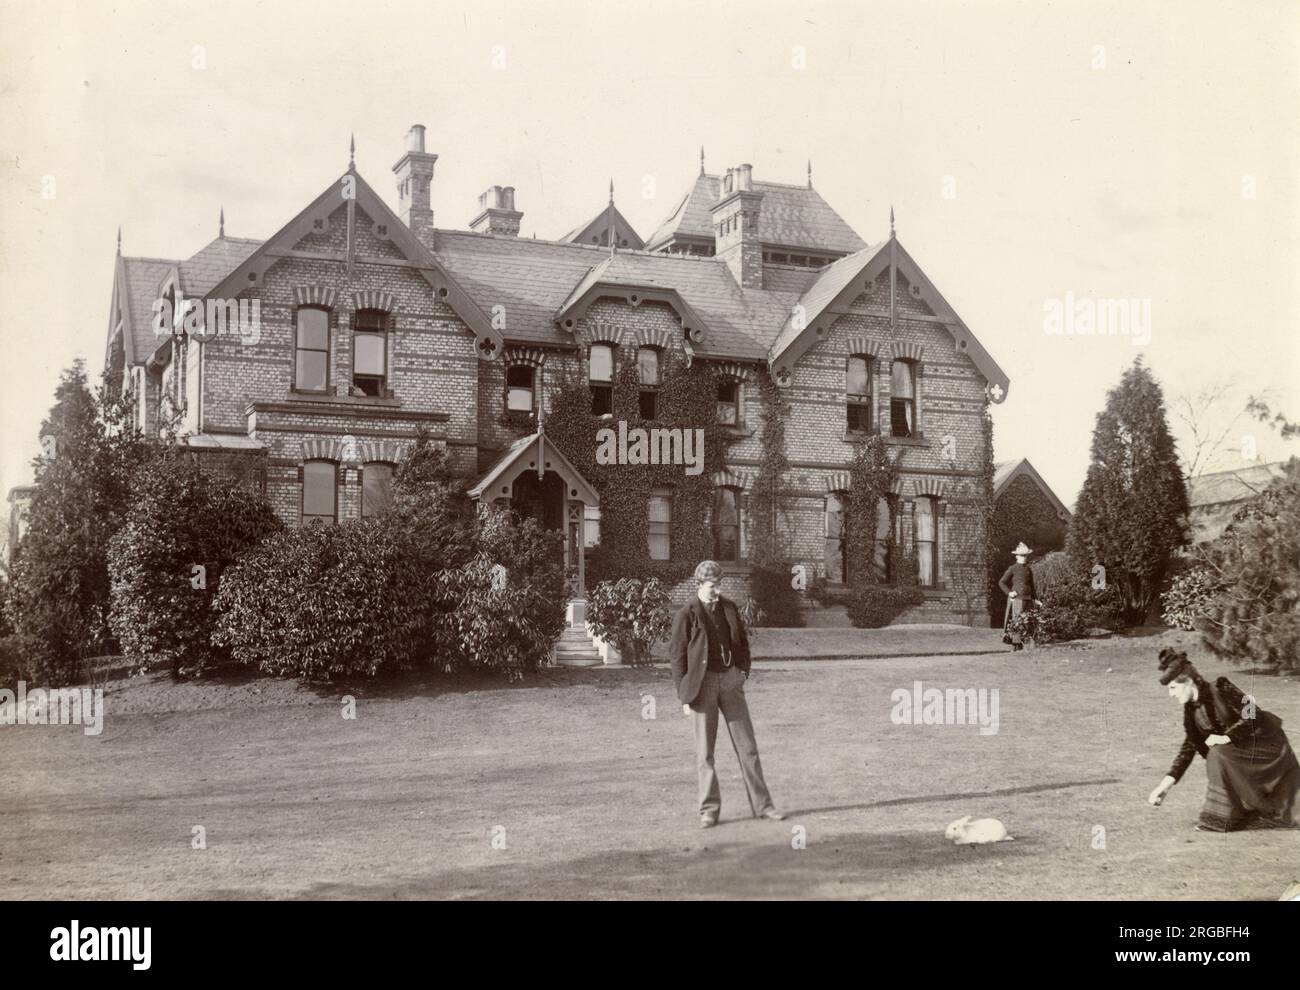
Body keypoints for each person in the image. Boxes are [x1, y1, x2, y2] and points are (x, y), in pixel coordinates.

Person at [668, 559, 783, 829]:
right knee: (705, 753)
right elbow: (676, 657)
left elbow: (742, 643)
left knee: (748, 748)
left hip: (731, 682)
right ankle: (708, 810)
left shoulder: (729, 608)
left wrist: (742, 671)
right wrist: (684, 695)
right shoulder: (686, 613)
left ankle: (763, 806)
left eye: (718, 584)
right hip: (701, 687)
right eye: (710, 585)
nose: (715, 590)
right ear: (698, 585)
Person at [1148, 648, 1300, 832]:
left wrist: (1226, 736)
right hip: (1240, 752)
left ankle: (1225, 817)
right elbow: (1189, 747)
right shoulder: (1191, 710)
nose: (1171, 694)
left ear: (1188, 681)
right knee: (1218, 752)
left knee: (1218, 752)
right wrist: (1164, 787)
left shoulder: (1221, 687)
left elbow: (1253, 713)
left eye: (1173, 688)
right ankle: (1230, 816)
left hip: (1267, 746)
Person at [997, 541, 1037, 651]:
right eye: (1022, 555)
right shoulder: (1012, 568)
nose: (1024, 558)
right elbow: (1002, 582)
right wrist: (1009, 592)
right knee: (1016, 622)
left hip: (1028, 599)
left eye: (1025, 556)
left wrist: (1035, 599)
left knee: (1028, 621)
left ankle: (1026, 644)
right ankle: (1015, 645)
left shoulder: (1028, 569)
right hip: (1017, 600)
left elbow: (1032, 585)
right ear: (1017, 556)